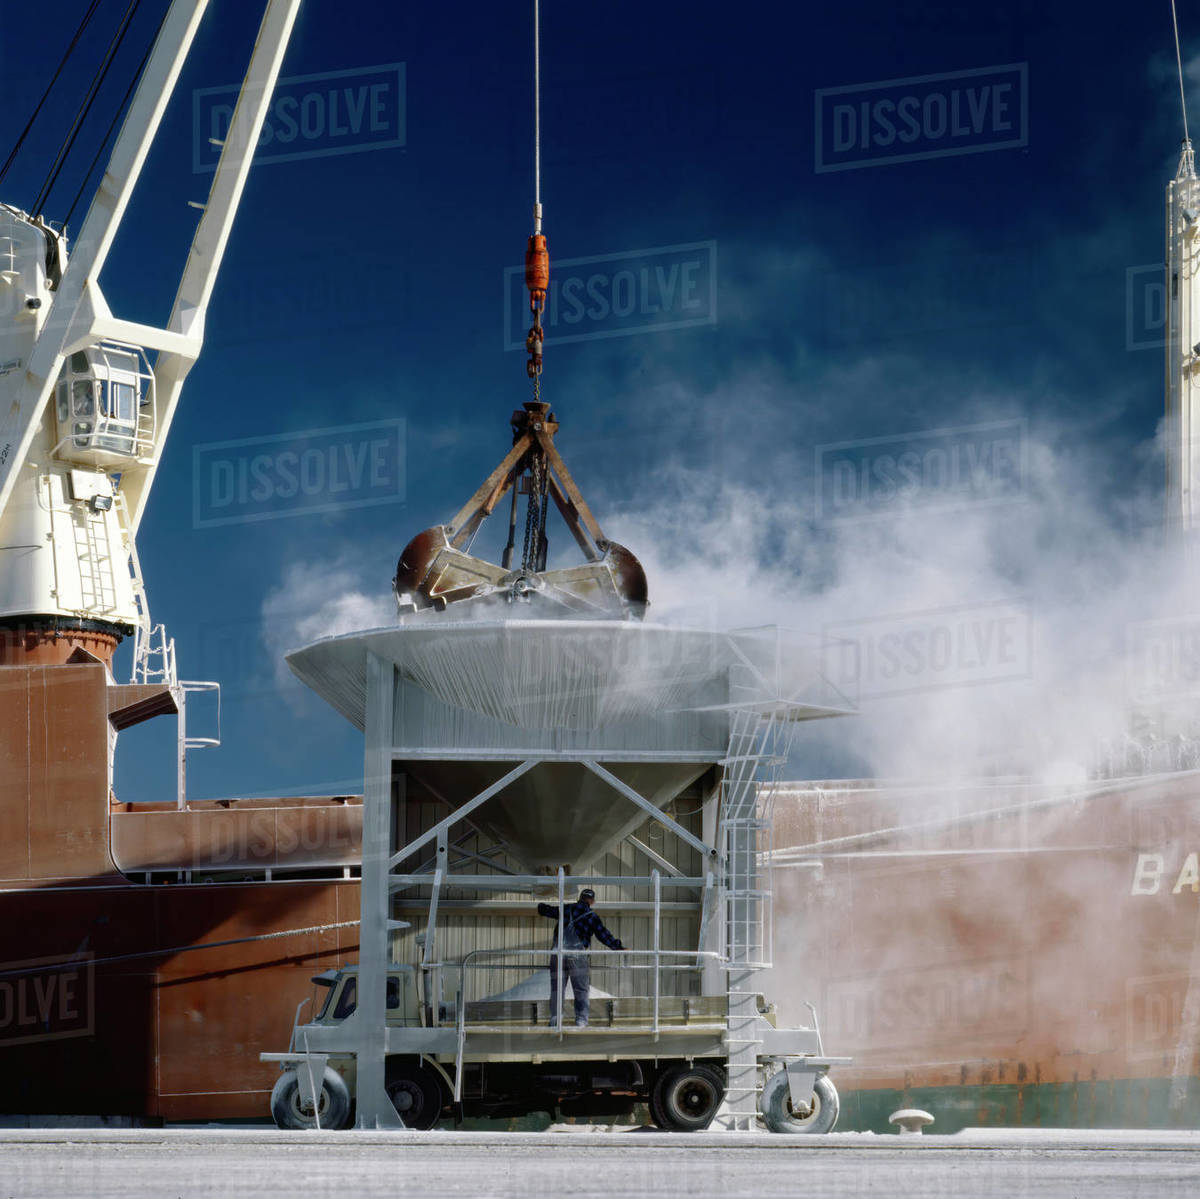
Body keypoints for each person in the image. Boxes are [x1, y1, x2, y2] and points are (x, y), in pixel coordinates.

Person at [536, 887, 624, 1027]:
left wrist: (540, 906)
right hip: (577, 955)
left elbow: (546, 910)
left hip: (557, 954)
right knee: (581, 989)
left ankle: (555, 1019)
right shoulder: (591, 916)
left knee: (557, 989)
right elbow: (603, 935)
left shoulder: (566, 909)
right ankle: (581, 1021)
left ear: (580, 898)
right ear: (592, 901)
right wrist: (618, 946)